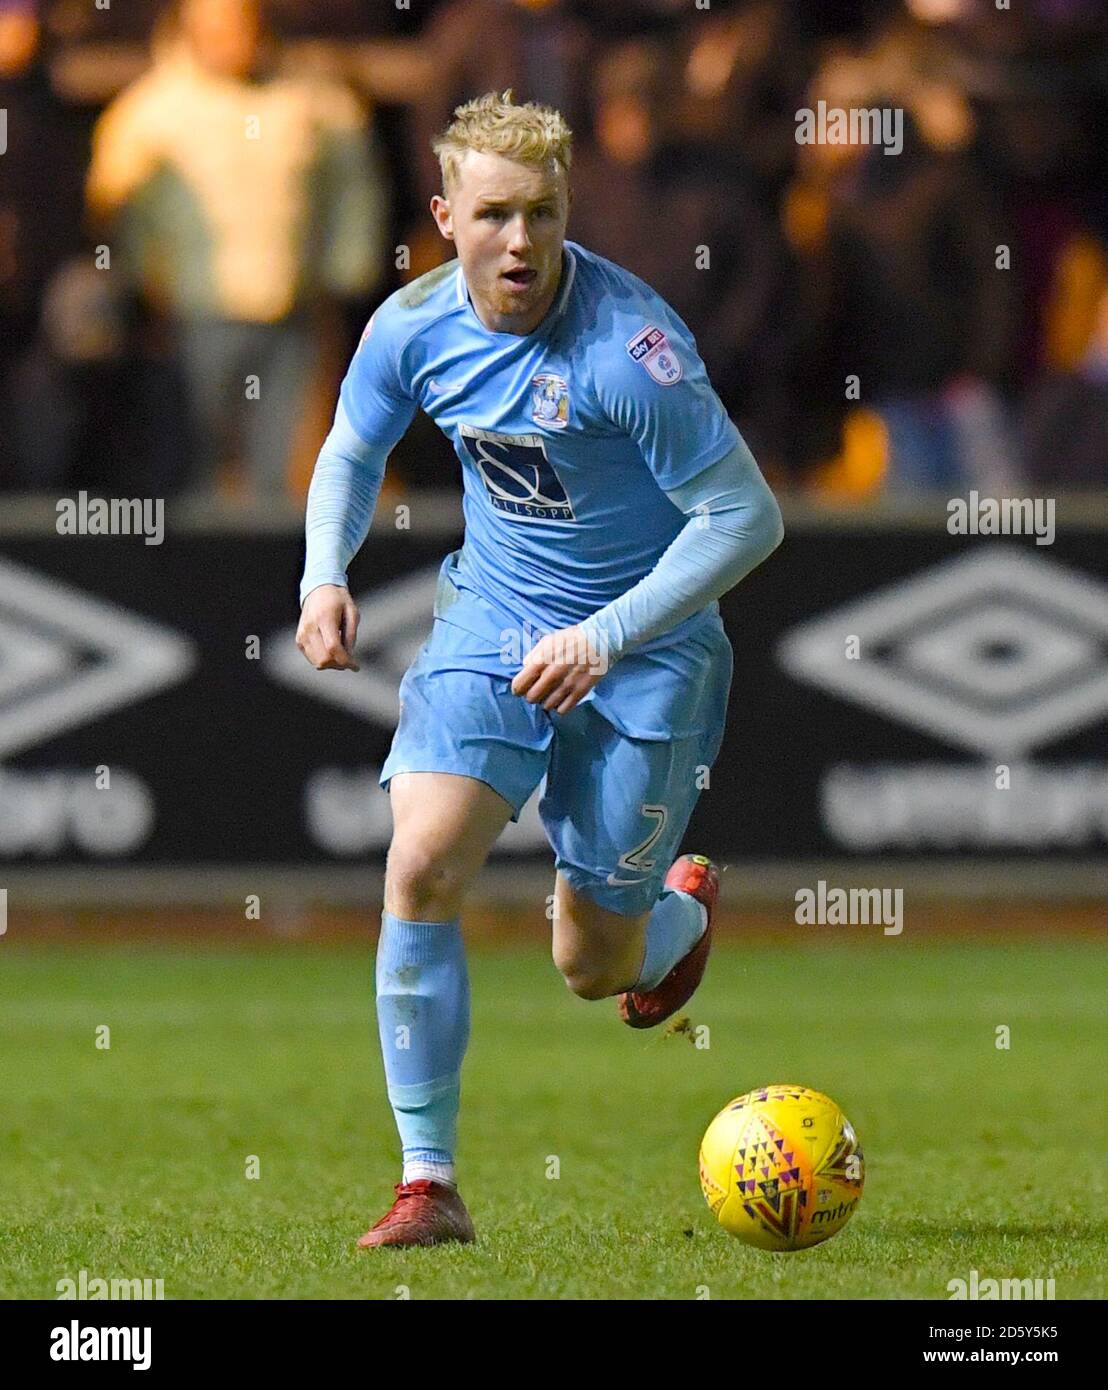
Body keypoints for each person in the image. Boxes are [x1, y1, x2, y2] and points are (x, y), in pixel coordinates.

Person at [295, 91, 783, 1248]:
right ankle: (429, 1184)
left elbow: (745, 517)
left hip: (646, 651)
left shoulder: (633, 350)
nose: (522, 242)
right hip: (495, 623)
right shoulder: (411, 325)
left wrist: (606, 635)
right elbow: (352, 445)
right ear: (445, 215)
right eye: (498, 215)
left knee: (591, 963)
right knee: (418, 864)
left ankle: (672, 922)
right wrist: (324, 573)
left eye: (546, 215)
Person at [86, 0, 386, 497]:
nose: (232, 42)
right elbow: (117, 209)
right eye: (217, 30)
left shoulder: (312, 101)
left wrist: (345, 272)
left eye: (241, 28)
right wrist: (142, 284)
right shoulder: (150, 112)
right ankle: (196, 566)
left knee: (283, 461)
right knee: (194, 456)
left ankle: (271, 563)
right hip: (195, 315)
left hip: (290, 309)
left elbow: (354, 188)